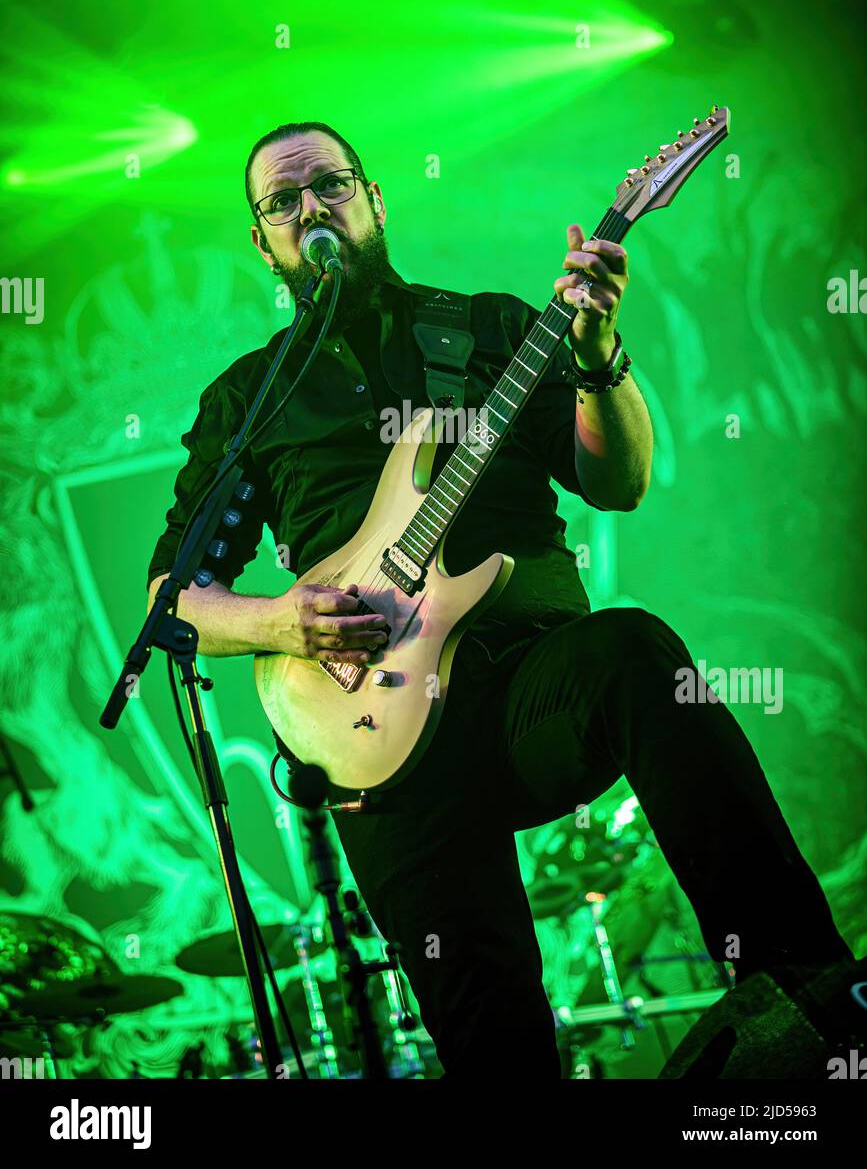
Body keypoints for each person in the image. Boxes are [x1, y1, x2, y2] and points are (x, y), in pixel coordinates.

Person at [147, 120, 853, 1078]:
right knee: (494, 1051)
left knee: (636, 653)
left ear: (374, 199)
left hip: (532, 688)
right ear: (262, 239)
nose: (311, 207)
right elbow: (174, 598)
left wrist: (598, 351)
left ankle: (800, 987)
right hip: (374, 747)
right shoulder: (249, 400)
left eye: (331, 185)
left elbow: (620, 481)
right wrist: (283, 621)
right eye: (283, 200)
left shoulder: (486, 329)